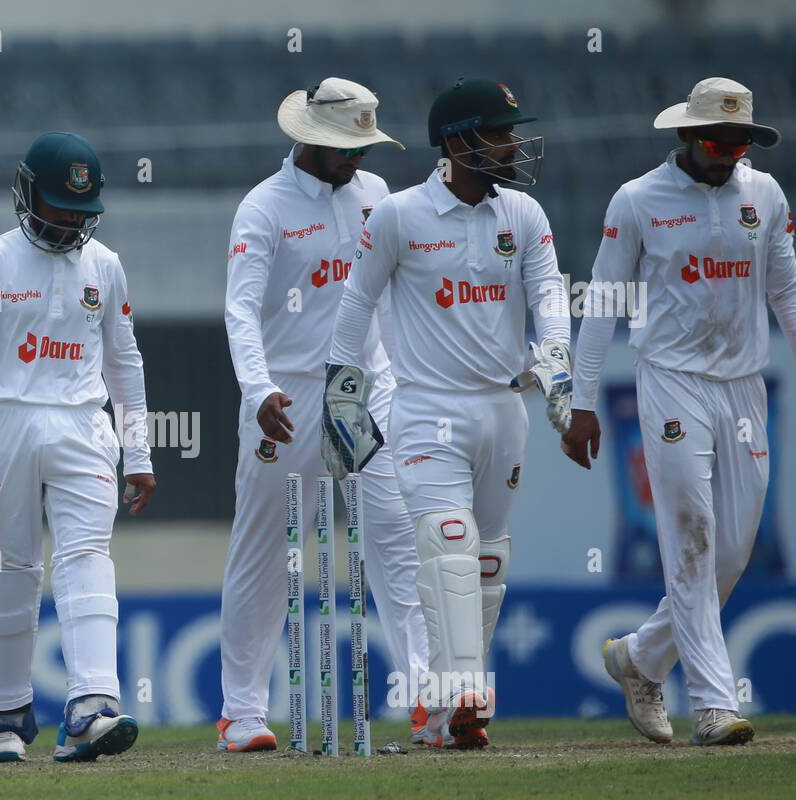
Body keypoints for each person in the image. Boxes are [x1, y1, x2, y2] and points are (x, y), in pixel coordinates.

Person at [325, 78, 571, 748]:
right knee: (450, 547)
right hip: (425, 410)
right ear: (459, 142)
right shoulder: (399, 216)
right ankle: (466, 692)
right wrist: (343, 408)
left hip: (502, 410)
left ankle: (442, 708)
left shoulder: (523, 215)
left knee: (487, 562)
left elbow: (549, 293)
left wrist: (557, 364)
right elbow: (353, 314)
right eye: (499, 132)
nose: (513, 143)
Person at [564, 77, 796, 746]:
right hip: (670, 381)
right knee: (690, 535)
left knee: (732, 551)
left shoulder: (766, 195)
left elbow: (786, 291)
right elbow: (603, 302)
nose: (730, 156)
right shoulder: (638, 201)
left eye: (740, 143)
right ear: (687, 137)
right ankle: (714, 707)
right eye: (719, 143)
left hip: (746, 386)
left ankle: (638, 658)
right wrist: (581, 404)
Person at [217, 77, 438, 752]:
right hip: (285, 395)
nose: (357, 159)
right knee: (264, 554)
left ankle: (427, 696)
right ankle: (243, 714)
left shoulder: (377, 198)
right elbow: (240, 311)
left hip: (363, 390)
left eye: (362, 147)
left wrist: (408, 375)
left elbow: (397, 298)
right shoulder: (264, 207)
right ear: (309, 139)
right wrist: (257, 393)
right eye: (346, 147)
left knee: (396, 535)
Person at [0, 131, 155, 763]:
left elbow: (126, 365)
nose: (68, 223)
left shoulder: (105, 267)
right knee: (7, 570)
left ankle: (92, 706)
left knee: (87, 555)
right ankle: (3, 715)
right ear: (27, 193)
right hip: (4, 419)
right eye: (58, 206)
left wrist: (139, 452)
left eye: (79, 212)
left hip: (84, 424)